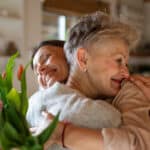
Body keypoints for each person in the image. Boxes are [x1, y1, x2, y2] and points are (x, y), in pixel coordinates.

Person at [43, 12, 150, 150]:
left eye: (126, 63)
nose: (126, 72)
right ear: (83, 59)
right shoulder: (49, 100)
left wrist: (63, 133)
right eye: (118, 60)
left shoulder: (127, 89)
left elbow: (141, 144)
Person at [26, 12, 127, 150]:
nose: (41, 69)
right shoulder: (105, 116)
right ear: (82, 58)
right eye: (37, 72)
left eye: (46, 58)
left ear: (69, 53)